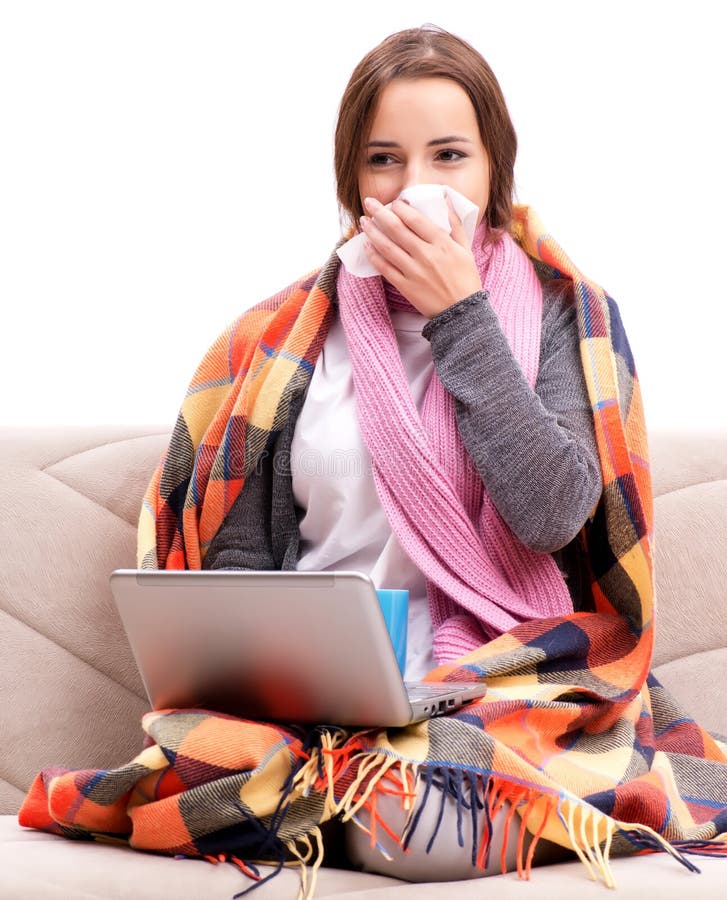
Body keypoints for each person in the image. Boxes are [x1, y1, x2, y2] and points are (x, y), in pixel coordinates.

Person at [199, 23, 600, 879]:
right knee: (213, 780)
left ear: (494, 171)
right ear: (352, 181)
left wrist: (461, 316)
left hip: (488, 679)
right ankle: (324, 794)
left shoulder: (563, 314)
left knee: (416, 827)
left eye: (448, 156)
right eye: (384, 160)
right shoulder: (285, 338)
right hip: (310, 694)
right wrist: (266, 689)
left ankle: (349, 806)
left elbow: (554, 514)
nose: (415, 187)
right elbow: (238, 555)